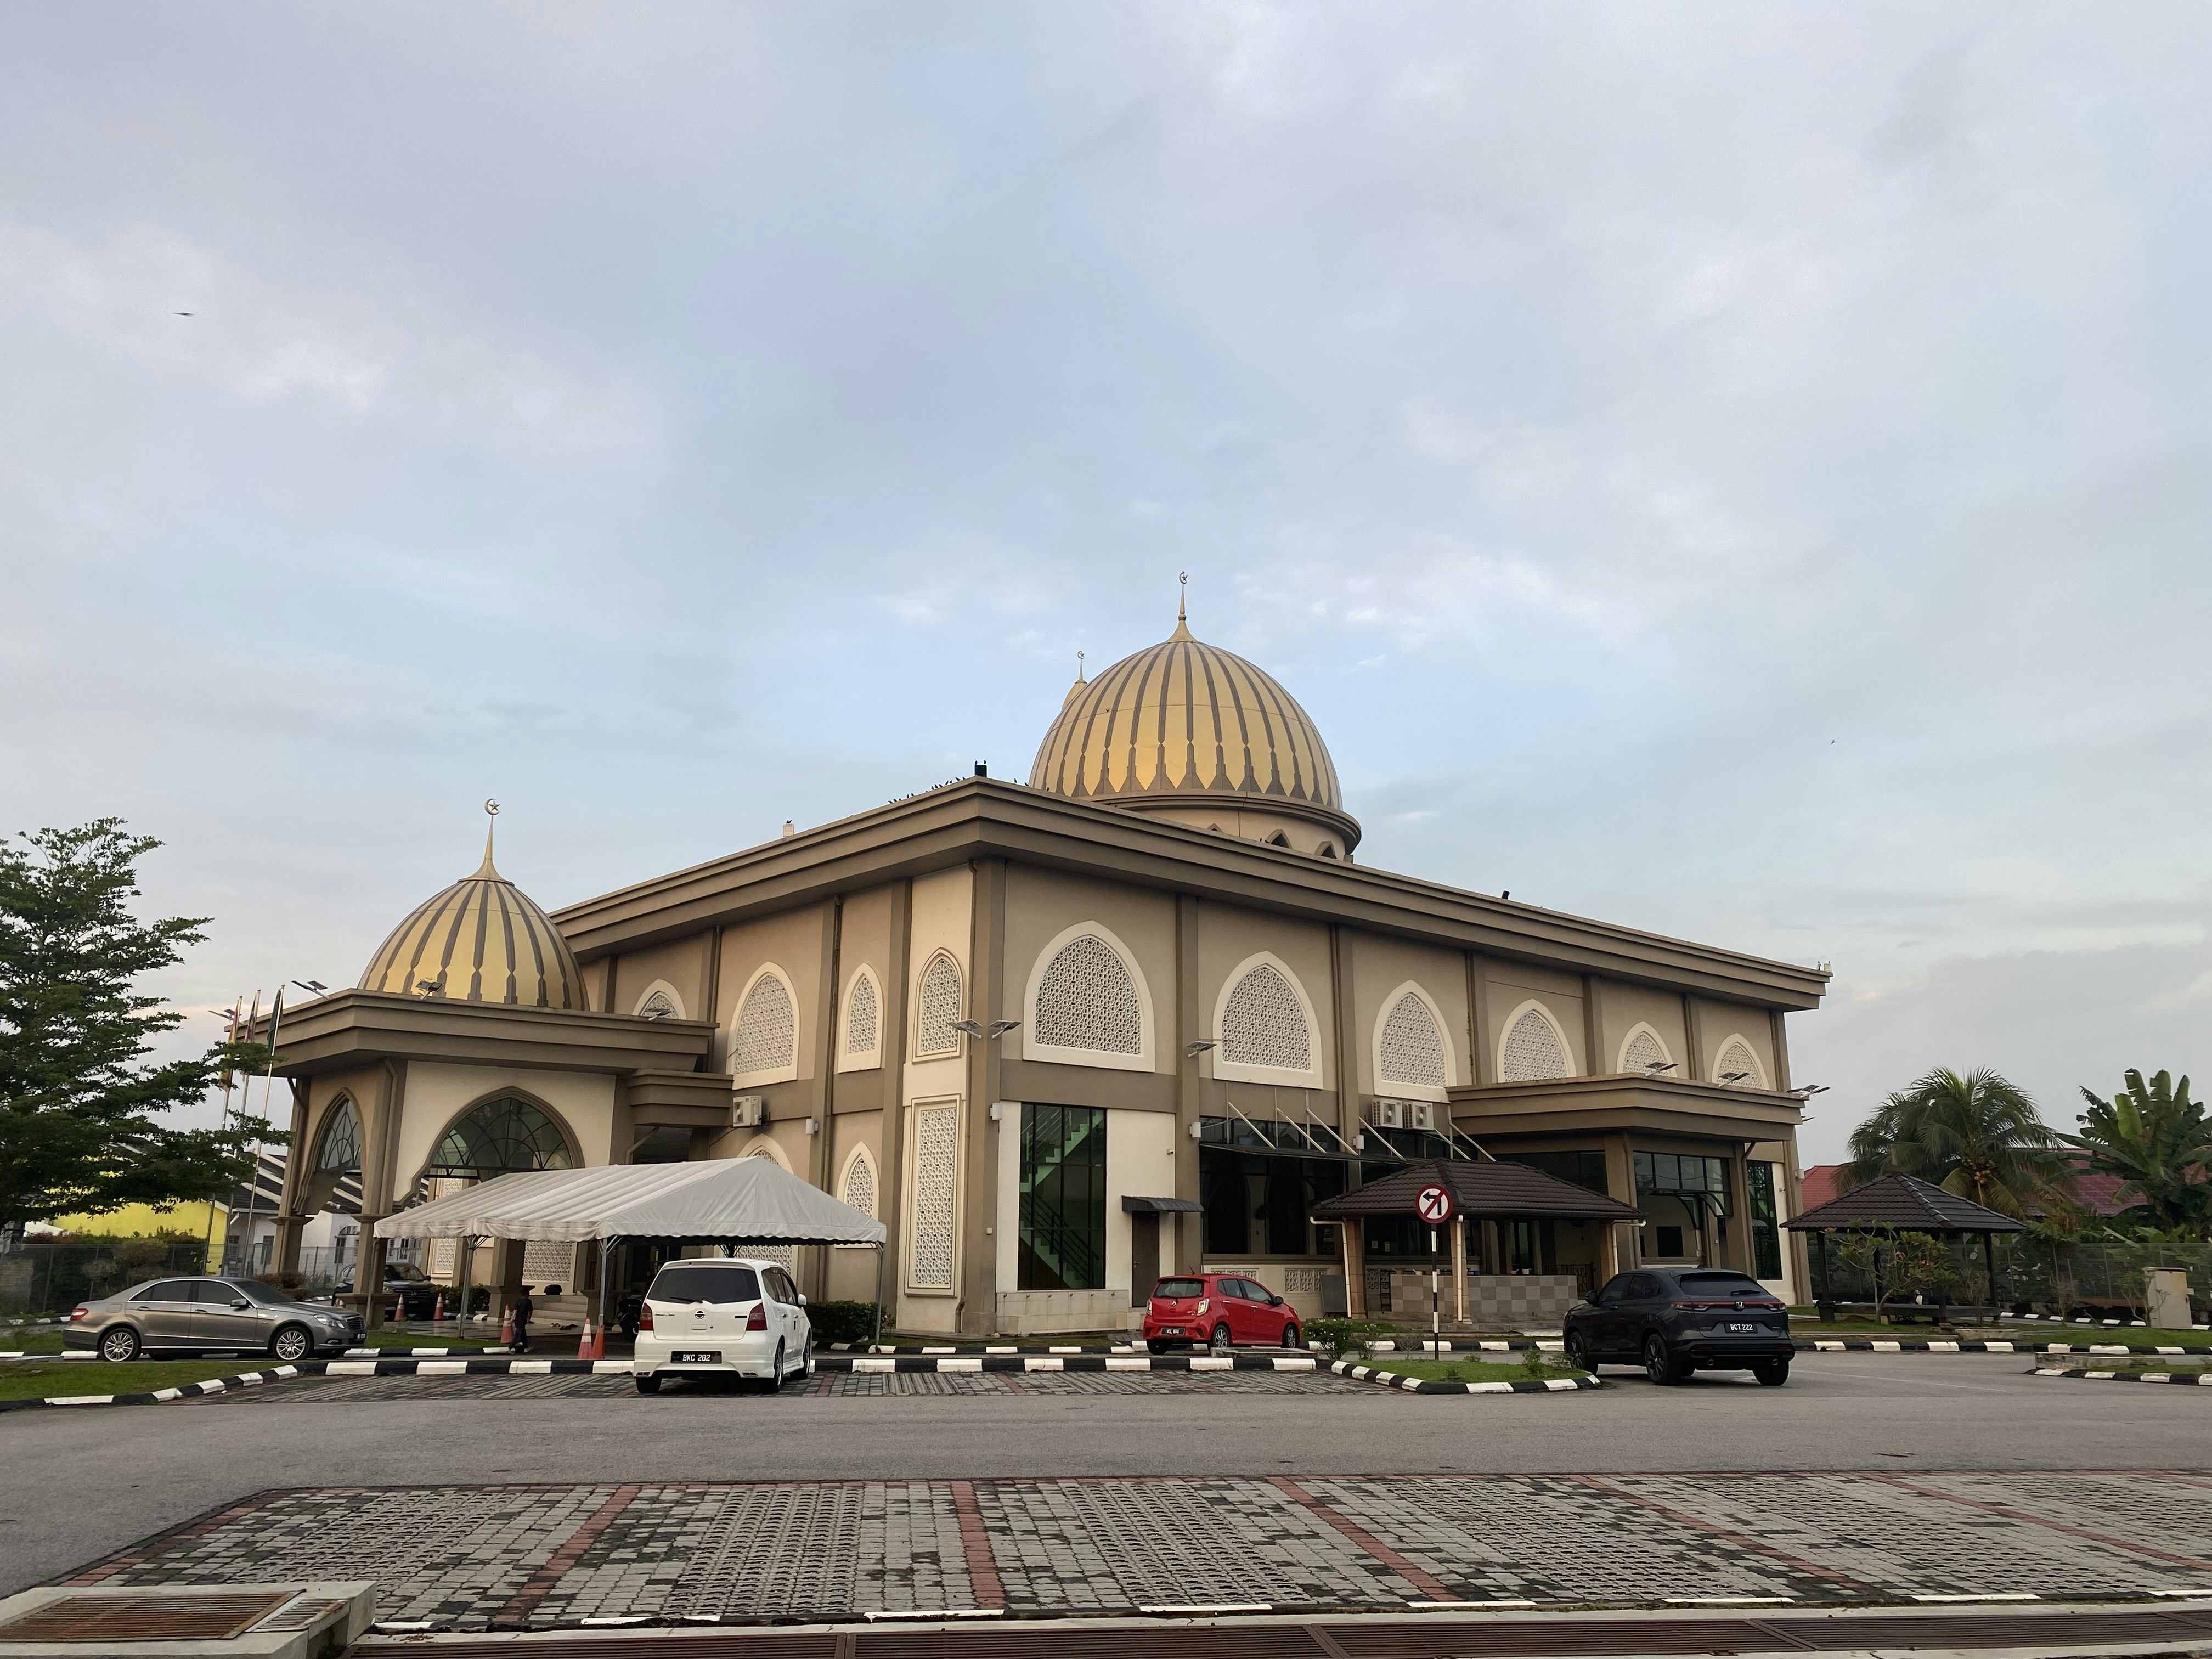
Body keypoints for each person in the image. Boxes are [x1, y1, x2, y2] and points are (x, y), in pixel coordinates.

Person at [511, 1287, 534, 1353]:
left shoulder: (518, 1301)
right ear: (527, 1294)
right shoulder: (528, 1302)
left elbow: (515, 1311)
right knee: (518, 1334)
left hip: (518, 1319)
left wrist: (513, 1318)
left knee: (523, 1334)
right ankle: (511, 1346)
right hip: (523, 1319)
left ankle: (525, 1347)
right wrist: (529, 1319)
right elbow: (530, 1311)